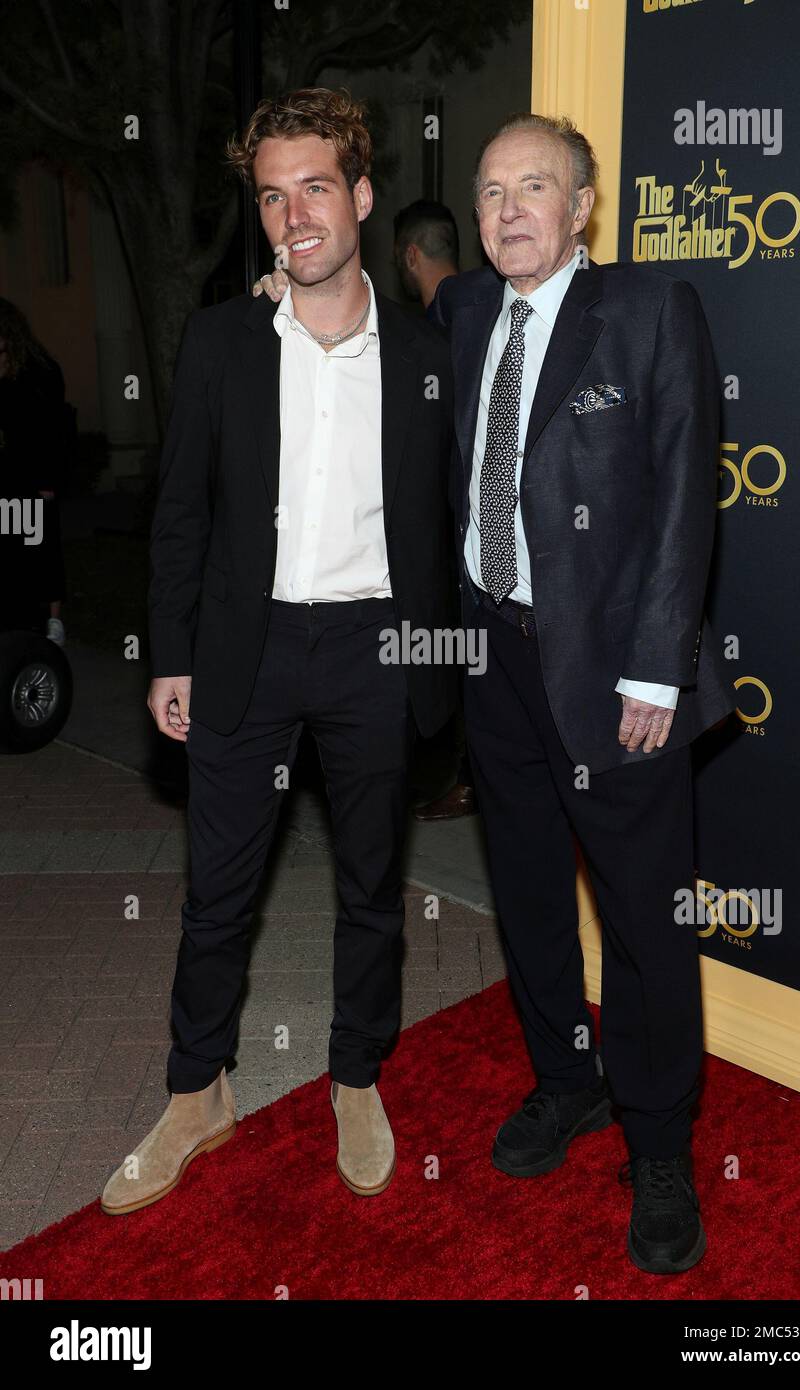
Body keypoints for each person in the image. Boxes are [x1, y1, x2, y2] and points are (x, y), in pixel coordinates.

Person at [100, 87, 455, 1215]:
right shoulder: (219, 340)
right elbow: (182, 512)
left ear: (360, 196)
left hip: (373, 648)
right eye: (270, 197)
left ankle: (355, 1075)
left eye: (314, 188)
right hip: (245, 649)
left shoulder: (426, 348)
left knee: (368, 887)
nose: (293, 216)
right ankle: (197, 1090)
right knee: (217, 895)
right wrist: (171, 654)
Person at [428, 113, 735, 1275]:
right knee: (524, 887)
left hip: (614, 668)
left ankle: (657, 1142)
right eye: (492, 189)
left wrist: (656, 666)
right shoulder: (461, 310)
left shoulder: (652, 311)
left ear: (582, 207)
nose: (509, 209)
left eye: (535, 188)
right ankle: (567, 1078)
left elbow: (679, 502)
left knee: (646, 914)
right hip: (492, 654)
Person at [392, 200, 474, 821]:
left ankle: (466, 775)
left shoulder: (441, 318)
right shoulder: (486, 303)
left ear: (410, 255)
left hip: (453, 528)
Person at [0, 298, 70, 643]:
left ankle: (52, 621)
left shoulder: (38, 372)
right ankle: (21, 619)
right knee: (17, 548)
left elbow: (52, 430)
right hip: (10, 478)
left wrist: (46, 480)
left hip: (34, 478)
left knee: (41, 549)